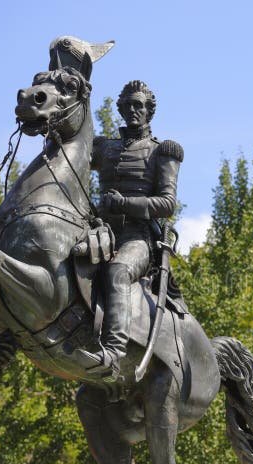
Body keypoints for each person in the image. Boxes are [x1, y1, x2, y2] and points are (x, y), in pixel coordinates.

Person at [74, 80, 183, 380]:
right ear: (120, 109)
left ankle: (113, 350)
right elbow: (73, 156)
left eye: (140, 105)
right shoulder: (104, 148)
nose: (134, 110)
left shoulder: (163, 151)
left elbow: (167, 203)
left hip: (137, 238)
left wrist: (126, 203)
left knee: (117, 272)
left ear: (149, 112)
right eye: (129, 105)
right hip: (99, 231)